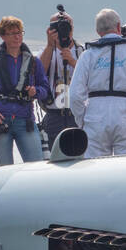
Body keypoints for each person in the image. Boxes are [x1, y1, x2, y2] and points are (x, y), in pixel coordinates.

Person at [69, 8, 126, 158]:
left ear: (97, 31)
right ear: (118, 26)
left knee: (96, 171)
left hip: (95, 116)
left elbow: (75, 95)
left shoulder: (87, 55)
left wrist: (82, 120)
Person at [0, 16, 52, 166]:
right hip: (0, 122)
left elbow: (45, 89)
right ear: (3, 36)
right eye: (12, 33)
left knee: (36, 166)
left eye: (20, 32)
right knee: (3, 169)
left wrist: (35, 91)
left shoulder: (33, 62)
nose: (17, 37)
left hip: (25, 121)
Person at [38, 8, 83, 156]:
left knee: (80, 157)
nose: (63, 30)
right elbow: (38, 75)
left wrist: (72, 61)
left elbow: (91, 78)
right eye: (56, 27)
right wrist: (50, 45)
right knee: (53, 158)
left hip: (78, 114)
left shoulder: (82, 52)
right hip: (54, 113)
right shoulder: (45, 52)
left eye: (67, 26)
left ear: (73, 28)